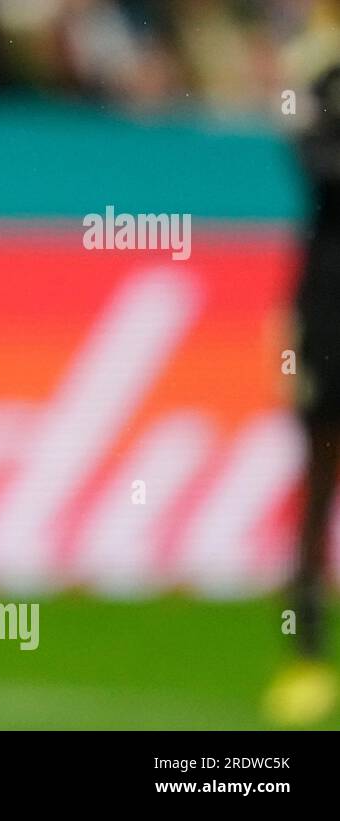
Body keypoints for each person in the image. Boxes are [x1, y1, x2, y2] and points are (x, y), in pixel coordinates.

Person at [265, 64, 340, 726]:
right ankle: (307, 653)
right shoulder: (318, 83)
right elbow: (317, 168)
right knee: (317, 485)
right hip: (326, 317)